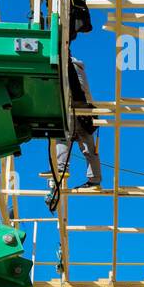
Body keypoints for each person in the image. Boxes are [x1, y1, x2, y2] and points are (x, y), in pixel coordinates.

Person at [45, 57, 100, 210]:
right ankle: (95, 180)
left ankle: (61, 168)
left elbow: (71, 90)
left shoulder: (69, 67)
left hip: (75, 107)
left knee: (64, 137)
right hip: (85, 111)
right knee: (88, 147)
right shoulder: (78, 69)